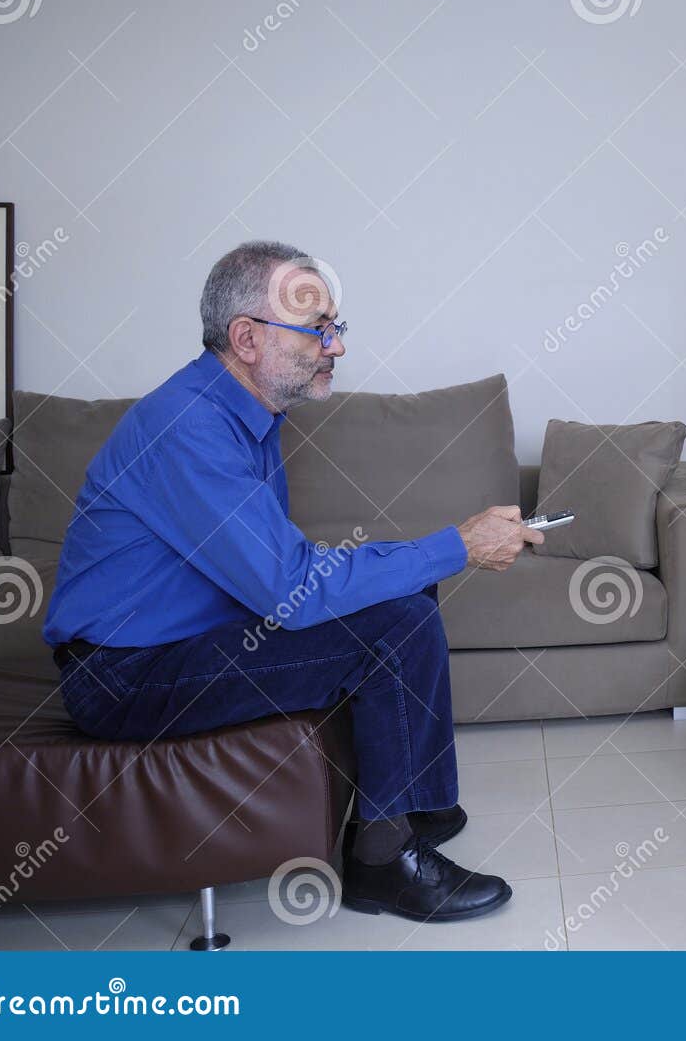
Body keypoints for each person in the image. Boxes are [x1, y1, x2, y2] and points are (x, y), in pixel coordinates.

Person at [42, 240, 542, 924]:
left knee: (401, 594)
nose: (335, 345)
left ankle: (416, 805)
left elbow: (274, 570)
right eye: (318, 330)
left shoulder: (250, 417)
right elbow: (288, 585)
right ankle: (381, 863)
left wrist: (424, 560)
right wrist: (457, 543)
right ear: (247, 338)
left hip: (191, 640)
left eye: (337, 327)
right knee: (392, 625)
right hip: (124, 675)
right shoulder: (189, 427)